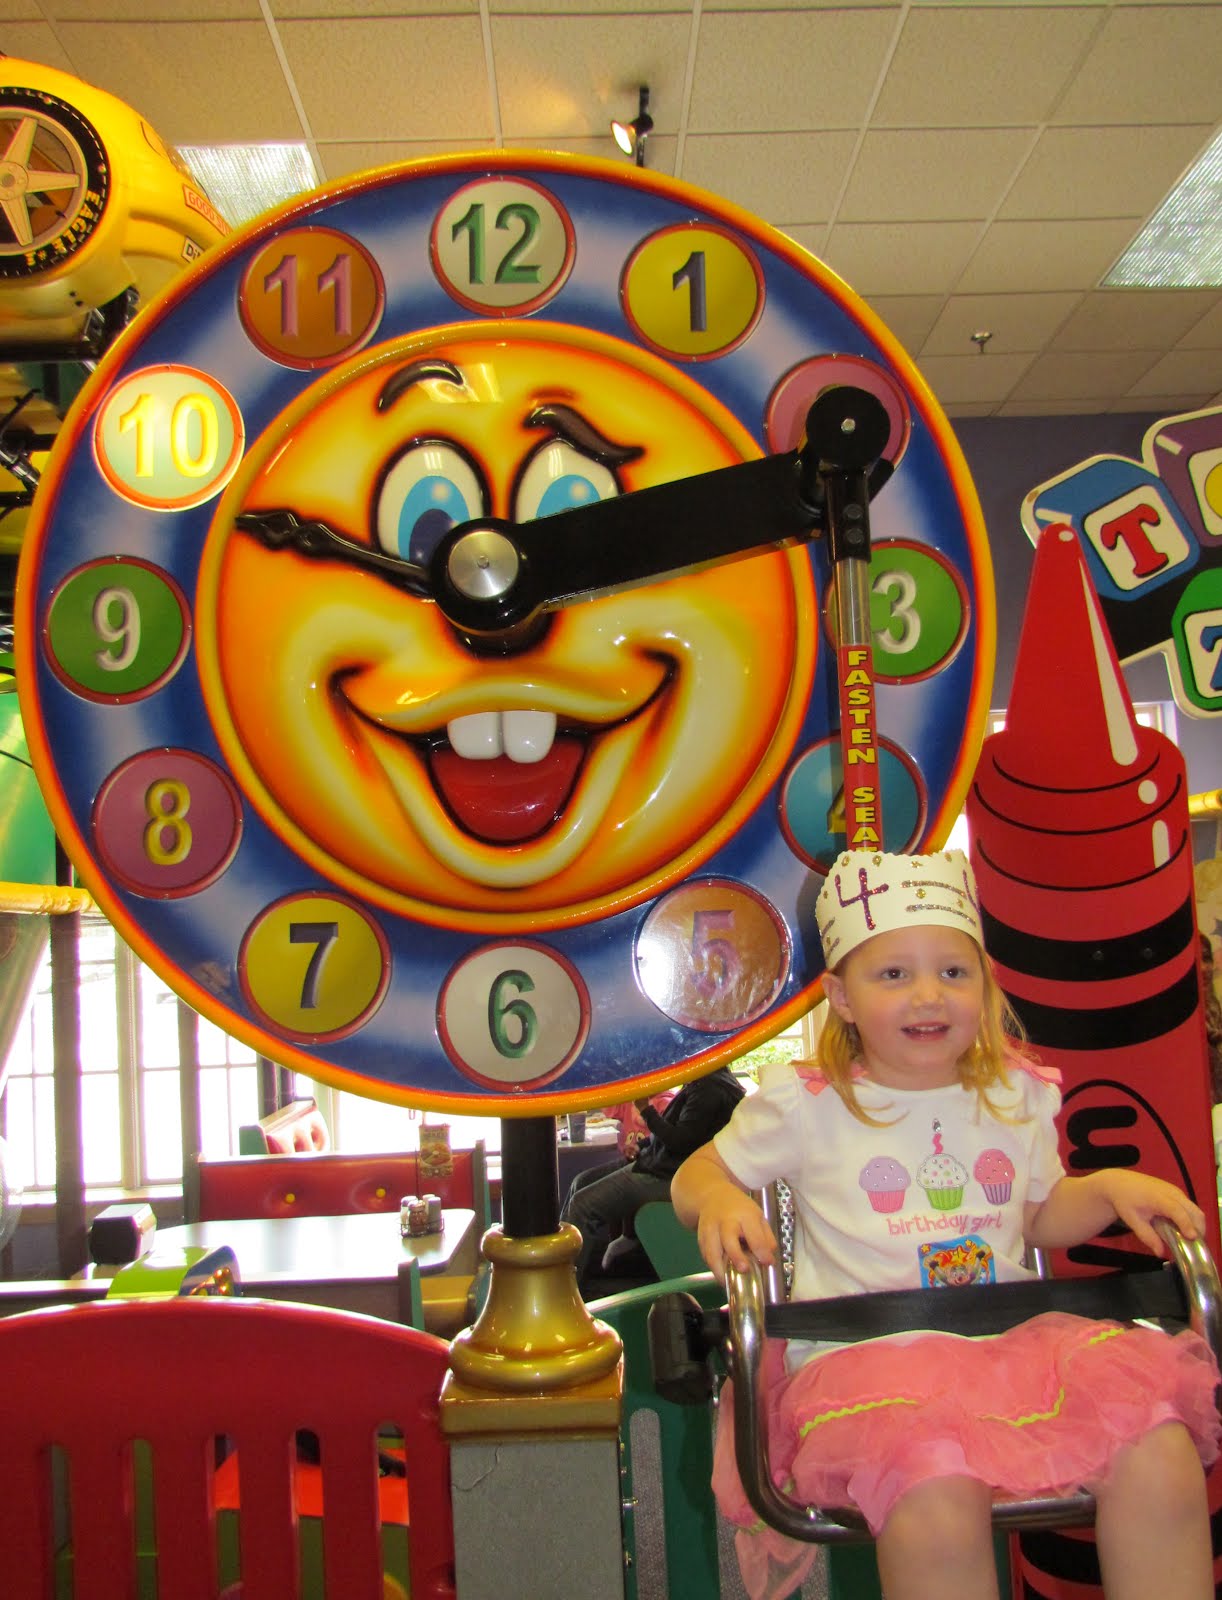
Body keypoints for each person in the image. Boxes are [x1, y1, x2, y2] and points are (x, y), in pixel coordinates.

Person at [672, 848, 1220, 1600]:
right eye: (894, 974)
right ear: (840, 995)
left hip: (1012, 1344)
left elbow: (1039, 1213)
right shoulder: (808, 1104)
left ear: (985, 988)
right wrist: (725, 1200)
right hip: (871, 1361)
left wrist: (1108, 1189)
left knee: (1158, 1452)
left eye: (954, 974)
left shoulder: (1013, 1094)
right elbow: (695, 1175)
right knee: (934, 1484)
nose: (928, 995)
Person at [561, 1065, 744, 1293]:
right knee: (581, 1181)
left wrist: (646, 1110)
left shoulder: (710, 1090)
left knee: (583, 1204)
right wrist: (642, 1144)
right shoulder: (701, 1082)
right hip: (659, 1163)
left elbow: (681, 1142)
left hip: (671, 1176)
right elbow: (679, 1132)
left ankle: (563, 1290)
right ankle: (573, 1266)